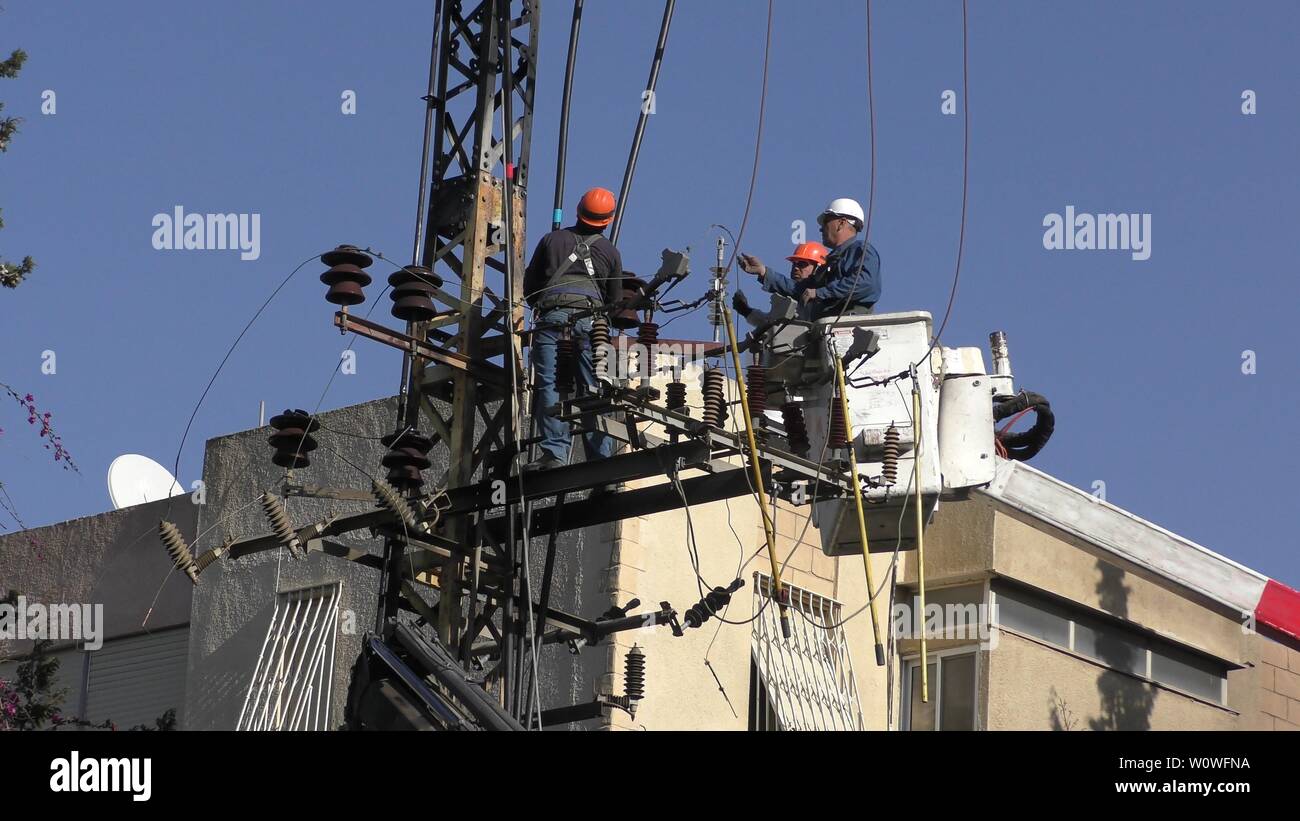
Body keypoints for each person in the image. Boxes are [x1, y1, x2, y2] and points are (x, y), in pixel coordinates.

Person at [521, 187, 623, 473]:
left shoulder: (552, 240)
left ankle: (555, 453)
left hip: (553, 319)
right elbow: (614, 302)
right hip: (591, 325)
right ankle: (602, 466)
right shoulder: (609, 251)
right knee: (595, 389)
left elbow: (530, 289)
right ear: (608, 220)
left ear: (578, 210)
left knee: (551, 385)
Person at [738, 197, 880, 319]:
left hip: (847, 331)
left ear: (841, 223)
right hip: (825, 334)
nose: (820, 229)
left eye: (825, 222)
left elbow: (866, 284)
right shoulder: (831, 262)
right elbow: (799, 289)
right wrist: (763, 271)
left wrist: (820, 293)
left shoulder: (860, 250)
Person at [733, 241, 829, 326]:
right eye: (794, 264)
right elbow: (771, 326)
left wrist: (763, 271)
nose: (795, 268)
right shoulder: (788, 298)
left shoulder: (823, 296)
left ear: (818, 269)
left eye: (802, 264)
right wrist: (746, 311)